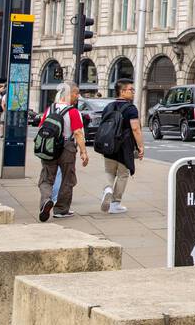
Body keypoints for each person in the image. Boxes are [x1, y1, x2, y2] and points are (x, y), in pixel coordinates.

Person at [38, 81, 88, 221]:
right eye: (76, 93)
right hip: (67, 148)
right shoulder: (73, 111)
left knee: (46, 178)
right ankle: (61, 209)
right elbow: (78, 133)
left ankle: (46, 200)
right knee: (67, 179)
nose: (78, 96)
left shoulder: (50, 109)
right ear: (69, 93)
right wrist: (83, 151)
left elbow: (41, 128)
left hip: (50, 147)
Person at [96, 79, 142, 214]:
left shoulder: (108, 107)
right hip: (124, 147)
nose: (133, 92)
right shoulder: (131, 109)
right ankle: (115, 203)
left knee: (109, 171)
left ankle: (107, 189)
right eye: (131, 90)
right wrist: (141, 147)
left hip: (108, 145)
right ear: (122, 91)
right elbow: (136, 129)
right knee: (123, 174)